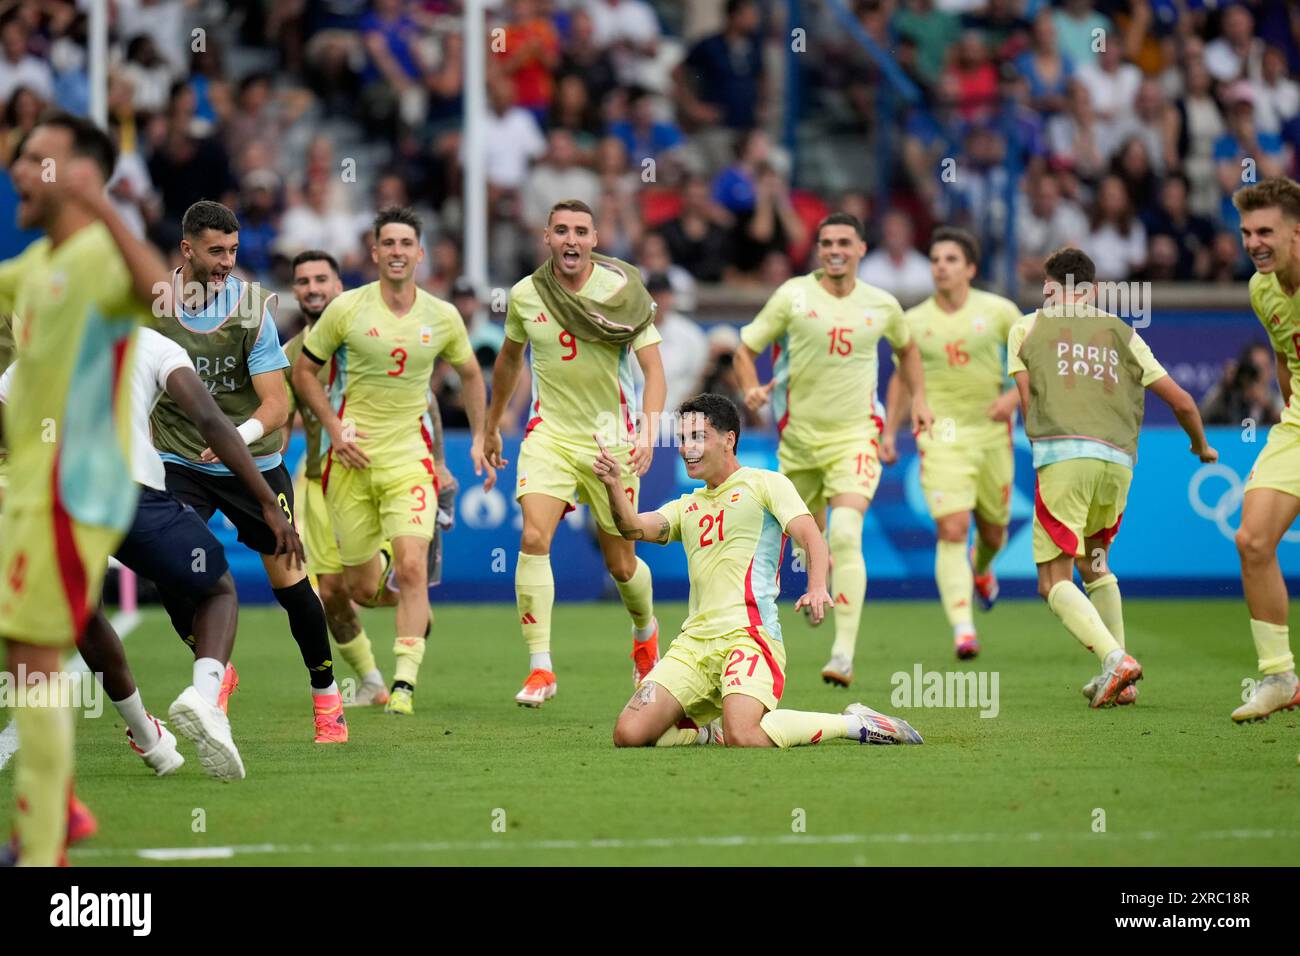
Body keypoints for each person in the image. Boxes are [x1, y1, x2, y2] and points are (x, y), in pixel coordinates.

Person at [2, 324, 305, 779]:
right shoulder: (151, 342)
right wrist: (266, 500)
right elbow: (210, 420)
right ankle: (204, 698)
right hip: (128, 493)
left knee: (84, 615)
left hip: (56, 502)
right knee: (216, 591)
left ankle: (149, 739)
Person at [0, 111, 167, 865]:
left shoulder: (104, 257)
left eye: (34, 157)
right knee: (21, 654)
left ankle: (42, 853)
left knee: (34, 659)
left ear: (76, 173)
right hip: (26, 486)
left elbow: (167, 300)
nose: (15, 166)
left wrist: (104, 204)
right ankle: (56, 807)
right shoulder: (32, 270)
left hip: (76, 490)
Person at [596, 394, 923, 749]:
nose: (687, 448)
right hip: (693, 645)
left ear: (729, 439)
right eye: (682, 439)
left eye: (697, 436)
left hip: (749, 638)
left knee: (745, 735)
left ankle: (855, 723)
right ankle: (708, 732)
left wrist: (816, 586)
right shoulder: (685, 506)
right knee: (628, 735)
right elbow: (631, 528)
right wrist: (614, 485)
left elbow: (811, 535)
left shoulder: (765, 484)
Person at [151, 200, 346, 743]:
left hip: (252, 461)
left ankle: (327, 695)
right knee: (168, 566)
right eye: (216, 251)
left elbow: (277, 407)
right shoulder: (153, 304)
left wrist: (234, 440)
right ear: (187, 248)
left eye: (233, 251)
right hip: (179, 459)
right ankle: (215, 666)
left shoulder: (252, 307)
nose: (226, 261)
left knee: (289, 582)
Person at [291, 207, 492, 716]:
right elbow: (303, 374)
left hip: (410, 461)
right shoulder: (347, 311)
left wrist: (479, 437)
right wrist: (336, 430)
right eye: (389, 243)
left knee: (411, 565)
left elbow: (470, 375)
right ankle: (408, 612)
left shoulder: (442, 316)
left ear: (420, 253)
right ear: (374, 252)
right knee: (352, 588)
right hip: (348, 465)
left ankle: (403, 684)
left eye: (408, 243)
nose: (398, 251)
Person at [1007, 247, 1216, 708]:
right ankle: (1122, 679)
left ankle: (1115, 659)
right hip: (1118, 465)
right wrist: (1201, 446)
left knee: (1052, 580)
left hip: (1064, 458)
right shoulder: (1124, 332)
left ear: (1050, 289)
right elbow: (1181, 401)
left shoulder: (1028, 326)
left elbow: (1027, 403)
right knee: (1095, 565)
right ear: (1094, 291)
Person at [732, 212, 934, 688]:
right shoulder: (793, 296)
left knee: (844, 533)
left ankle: (842, 654)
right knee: (796, 542)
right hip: (798, 443)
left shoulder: (882, 304)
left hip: (854, 437)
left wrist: (918, 400)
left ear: (863, 248)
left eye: (844, 241)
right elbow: (745, 350)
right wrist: (750, 388)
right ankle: (754, 633)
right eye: (826, 242)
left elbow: (907, 352)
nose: (835, 249)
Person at [484, 198, 666, 707]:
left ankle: (645, 635)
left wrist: (647, 433)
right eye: (561, 230)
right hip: (550, 434)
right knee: (534, 535)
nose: (571, 239)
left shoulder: (624, 293)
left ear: (595, 238)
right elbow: (508, 361)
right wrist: (493, 422)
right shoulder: (524, 294)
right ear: (546, 237)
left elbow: (655, 371)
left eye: (580, 231)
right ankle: (541, 667)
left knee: (623, 564)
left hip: (613, 438)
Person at [882, 227, 1022, 659]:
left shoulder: (1000, 312)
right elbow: (903, 381)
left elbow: (1032, 367)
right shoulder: (914, 321)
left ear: (971, 268)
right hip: (940, 432)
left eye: (951, 259)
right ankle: (963, 627)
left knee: (994, 532)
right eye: (936, 259)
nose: (940, 266)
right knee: (952, 527)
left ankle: (982, 569)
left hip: (992, 431)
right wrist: (889, 431)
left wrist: (1013, 397)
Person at [283, 249, 390, 706]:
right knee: (328, 593)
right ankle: (371, 681)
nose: (312, 287)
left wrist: (439, 461)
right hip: (317, 482)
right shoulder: (288, 355)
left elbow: (419, 400)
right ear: (295, 291)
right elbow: (279, 420)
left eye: (321, 279)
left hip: (373, 473)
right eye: (303, 281)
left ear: (339, 285)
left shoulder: (368, 337)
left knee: (365, 589)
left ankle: (409, 591)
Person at [1230, 178, 1300, 723]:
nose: (1254, 242)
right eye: (1247, 231)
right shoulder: (1262, 288)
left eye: (1266, 231)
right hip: (1298, 424)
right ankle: (1279, 677)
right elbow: (1283, 354)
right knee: (1253, 539)